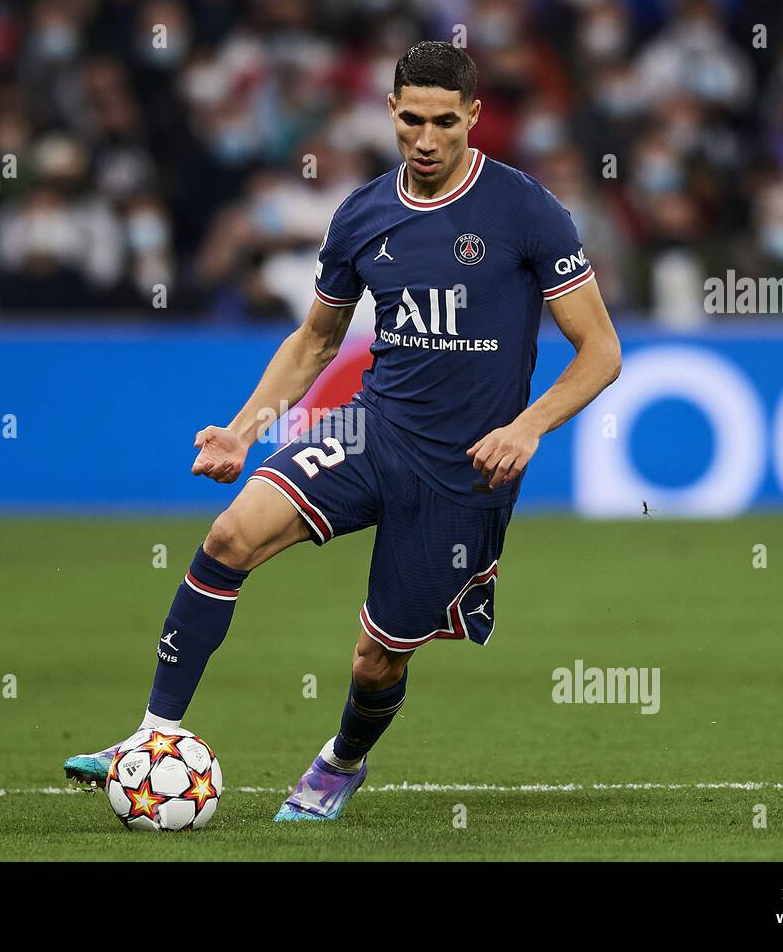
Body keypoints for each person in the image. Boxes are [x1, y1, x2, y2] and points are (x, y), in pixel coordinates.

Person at [64, 41, 622, 821]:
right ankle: (151, 736)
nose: (426, 140)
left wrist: (528, 427)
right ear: (390, 111)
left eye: (444, 123)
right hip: (373, 429)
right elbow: (316, 342)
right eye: (412, 121)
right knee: (230, 536)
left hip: (464, 472)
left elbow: (601, 352)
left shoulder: (525, 209)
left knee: (377, 659)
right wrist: (243, 430)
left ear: (473, 119)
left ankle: (342, 759)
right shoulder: (363, 214)